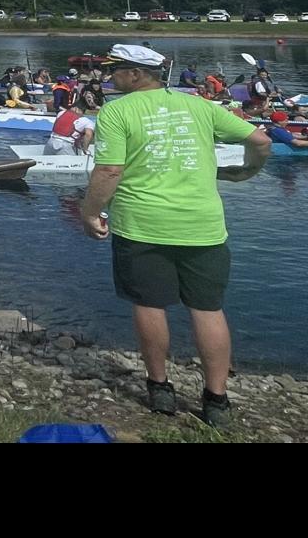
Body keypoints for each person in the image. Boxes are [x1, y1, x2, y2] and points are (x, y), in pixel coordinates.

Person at [78, 44, 270, 429]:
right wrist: (246, 173)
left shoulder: (117, 111)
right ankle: (216, 400)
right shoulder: (200, 106)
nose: (108, 76)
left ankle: (160, 388)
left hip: (142, 225)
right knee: (208, 309)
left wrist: (89, 211)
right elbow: (261, 141)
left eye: (115, 69)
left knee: (150, 305)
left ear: (135, 74)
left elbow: (110, 171)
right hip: (202, 225)